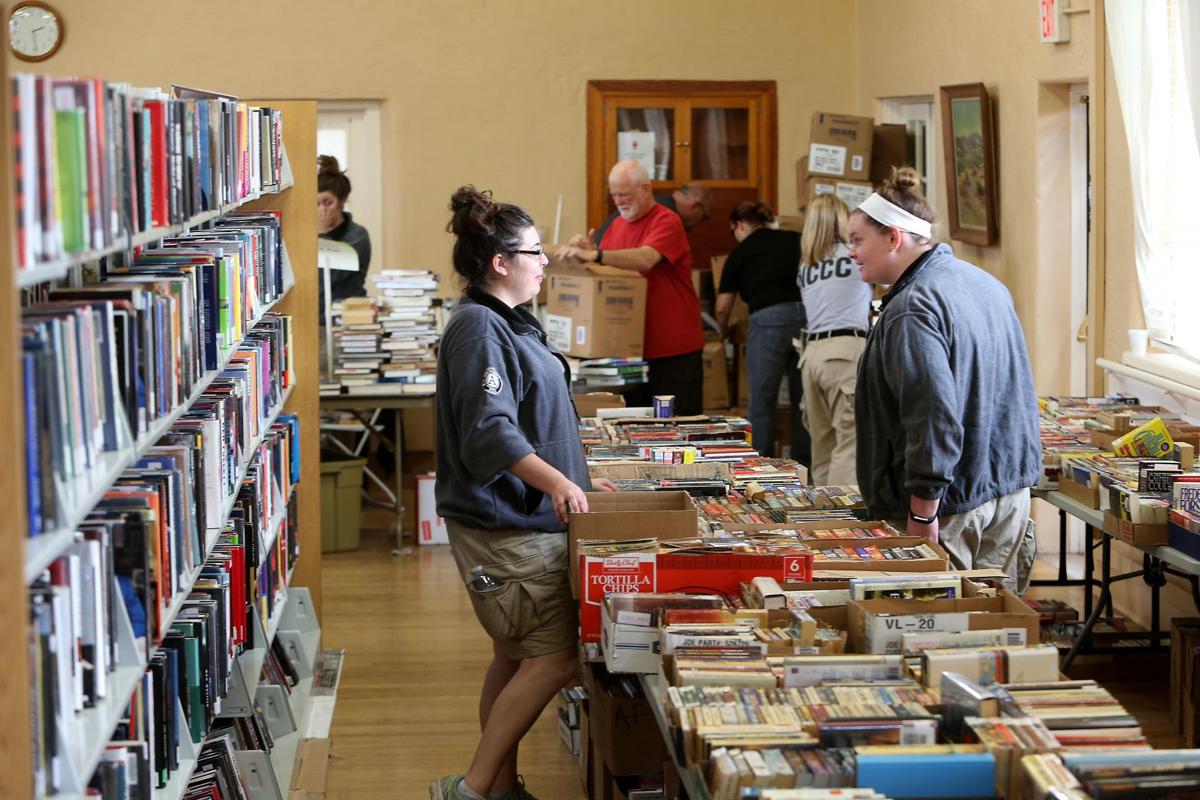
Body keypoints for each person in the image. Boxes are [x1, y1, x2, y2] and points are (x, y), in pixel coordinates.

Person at [431, 186, 616, 800]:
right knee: (555, 658)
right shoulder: (479, 328)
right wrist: (559, 482)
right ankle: (474, 789)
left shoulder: (506, 321)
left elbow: (531, 417)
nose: (545, 261)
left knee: (512, 657)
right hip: (508, 529)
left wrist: (578, 475)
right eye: (534, 252)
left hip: (521, 520)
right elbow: (490, 433)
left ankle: (500, 788)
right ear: (500, 262)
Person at [850, 167, 1040, 593]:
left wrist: (922, 510)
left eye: (858, 240)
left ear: (893, 237)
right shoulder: (985, 284)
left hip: (950, 508)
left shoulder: (913, 307)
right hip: (1008, 494)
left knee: (939, 622)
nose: (851, 252)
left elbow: (931, 414)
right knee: (996, 621)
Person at [558, 160, 705, 414]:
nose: (618, 201)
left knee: (676, 427)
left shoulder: (667, 221)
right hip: (629, 355)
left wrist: (597, 255)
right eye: (614, 195)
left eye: (624, 194)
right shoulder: (615, 225)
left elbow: (646, 258)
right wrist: (589, 253)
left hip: (673, 352)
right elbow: (608, 270)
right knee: (634, 426)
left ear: (646, 189)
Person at [714, 201, 809, 464]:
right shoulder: (796, 239)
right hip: (806, 318)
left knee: (762, 401)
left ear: (739, 225)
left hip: (767, 322)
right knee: (803, 401)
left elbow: (722, 307)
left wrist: (722, 331)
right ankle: (804, 465)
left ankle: (760, 465)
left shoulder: (740, 253)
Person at [797, 194, 872, 485]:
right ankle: (842, 511)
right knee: (849, 444)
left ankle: (820, 506)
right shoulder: (855, 255)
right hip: (845, 351)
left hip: (811, 355)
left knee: (822, 445)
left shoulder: (806, 265)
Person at [317, 154, 371, 315]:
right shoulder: (306, 235)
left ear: (341, 201)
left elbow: (328, 276)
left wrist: (323, 232)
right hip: (314, 316)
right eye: (316, 203)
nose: (322, 209)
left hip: (347, 315)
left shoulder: (357, 236)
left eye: (328, 203)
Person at [590, 182, 712, 244]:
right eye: (703, 217)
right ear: (696, 207)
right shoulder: (670, 217)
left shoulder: (658, 203)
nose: (697, 224)